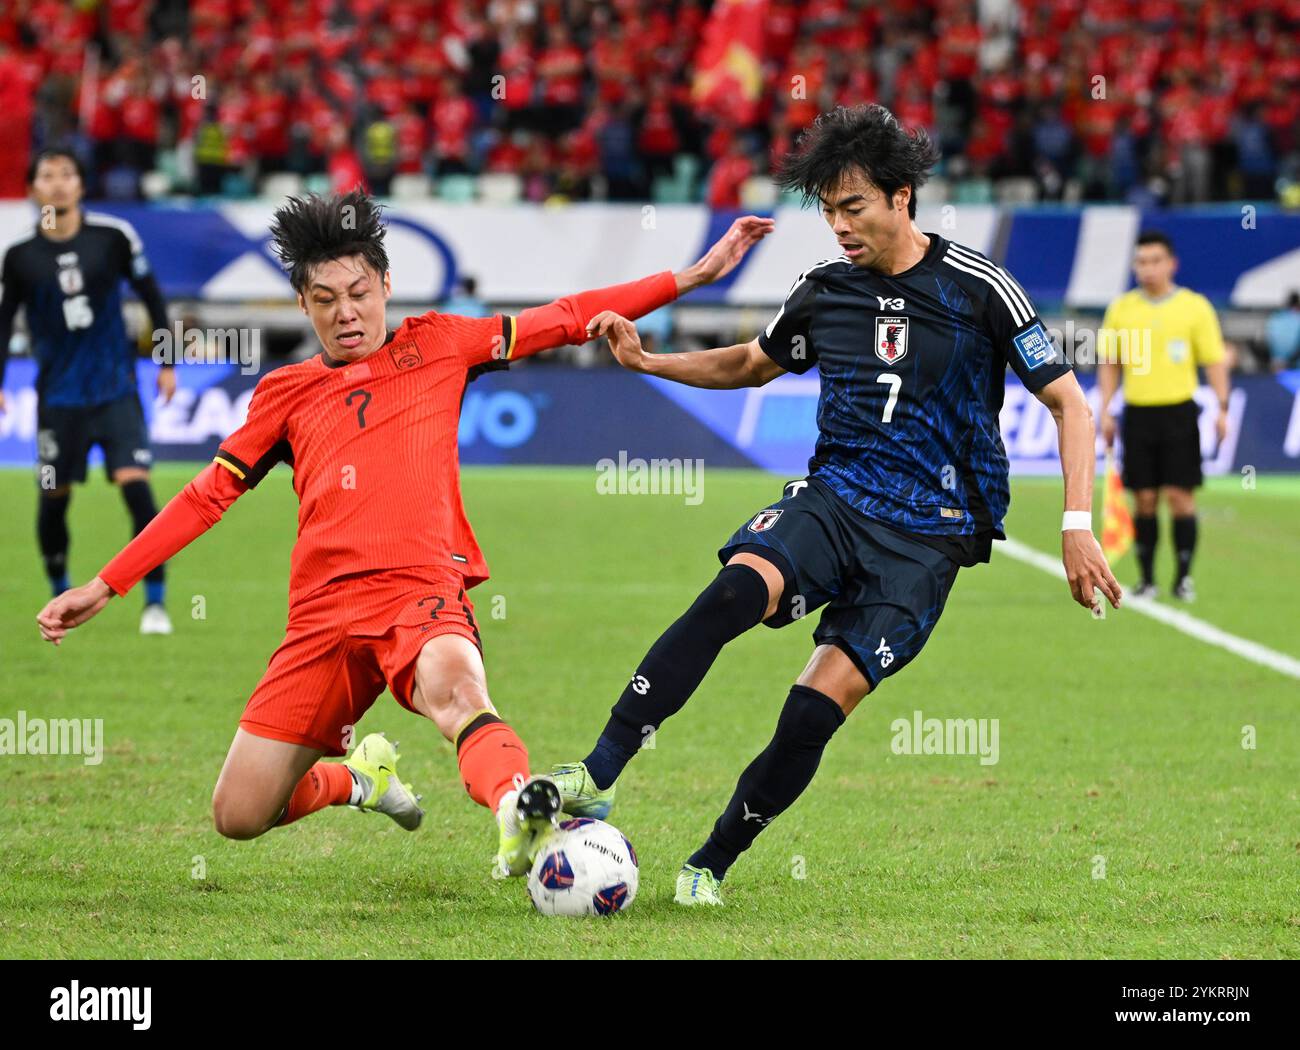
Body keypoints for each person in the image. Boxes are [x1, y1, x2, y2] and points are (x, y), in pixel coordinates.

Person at [36, 190, 772, 880]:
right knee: (239, 814)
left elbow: (567, 313)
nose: (345, 313)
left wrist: (693, 275)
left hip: (419, 591)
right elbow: (206, 497)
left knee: (457, 689)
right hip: (321, 619)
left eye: (359, 294)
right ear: (303, 304)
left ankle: (522, 808)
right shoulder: (284, 395)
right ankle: (360, 778)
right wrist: (107, 583)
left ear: (386, 286)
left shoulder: (441, 345)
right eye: (325, 300)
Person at [549, 104, 1120, 906]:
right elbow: (752, 364)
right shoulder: (824, 291)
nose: (839, 225)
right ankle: (599, 771)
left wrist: (1076, 525)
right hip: (837, 497)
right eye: (827, 210)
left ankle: (709, 862)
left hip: (931, 537)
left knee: (815, 711)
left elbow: (1071, 405)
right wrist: (650, 360)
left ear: (902, 197)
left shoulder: (980, 287)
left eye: (853, 207)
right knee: (733, 592)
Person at [0, 148, 175, 633]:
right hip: (58, 400)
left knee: (135, 487)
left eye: (67, 175)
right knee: (54, 496)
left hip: (116, 391)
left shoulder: (113, 238)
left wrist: (165, 361)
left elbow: (153, 298)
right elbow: (3, 321)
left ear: (80, 185)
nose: (57, 184)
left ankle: (155, 603)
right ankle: (60, 590)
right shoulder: (19, 257)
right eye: (47, 176)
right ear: (34, 190)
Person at [1098, 230, 1230, 602]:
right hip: (1138, 414)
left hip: (1179, 414)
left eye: (1155, 261)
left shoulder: (1194, 307)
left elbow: (1214, 361)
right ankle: (1147, 579)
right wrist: (1107, 409)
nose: (1147, 268)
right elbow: (1111, 363)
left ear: (1172, 264)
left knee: (1180, 497)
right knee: (1143, 499)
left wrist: (1222, 408)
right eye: (1141, 261)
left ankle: (1184, 577)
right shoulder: (1122, 309)